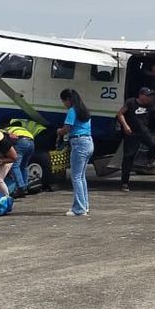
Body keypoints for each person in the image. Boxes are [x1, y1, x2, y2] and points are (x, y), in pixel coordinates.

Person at [116, 86, 155, 191]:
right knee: (128, 157)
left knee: (154, 145)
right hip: (131, 133)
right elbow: (120, 114)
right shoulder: (131, 102)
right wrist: (125, 126)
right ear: (141, 96)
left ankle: (148, 160)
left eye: (150, 96)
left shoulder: (150, 105)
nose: (149, 98)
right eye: (147, 96)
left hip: (144, 131)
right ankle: (124, 183)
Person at [57, 88, 93, 216]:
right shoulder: (84, 110)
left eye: (64, 101)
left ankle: (79, 208)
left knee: (76, 176)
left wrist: (59, 132)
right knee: (81, 176)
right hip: (88, 142)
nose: (64, 104)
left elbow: (67, 128)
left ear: (68, 100)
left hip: (79, 143)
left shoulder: (72, 111)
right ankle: (85, 205)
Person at [1, 121, 36, 198]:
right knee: (24, 166)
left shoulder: (5, 130)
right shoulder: (21, 129)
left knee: (15, 166)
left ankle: (20, 187)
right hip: (31, 142)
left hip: (21, 142)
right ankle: (25, 187)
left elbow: (7, 140)